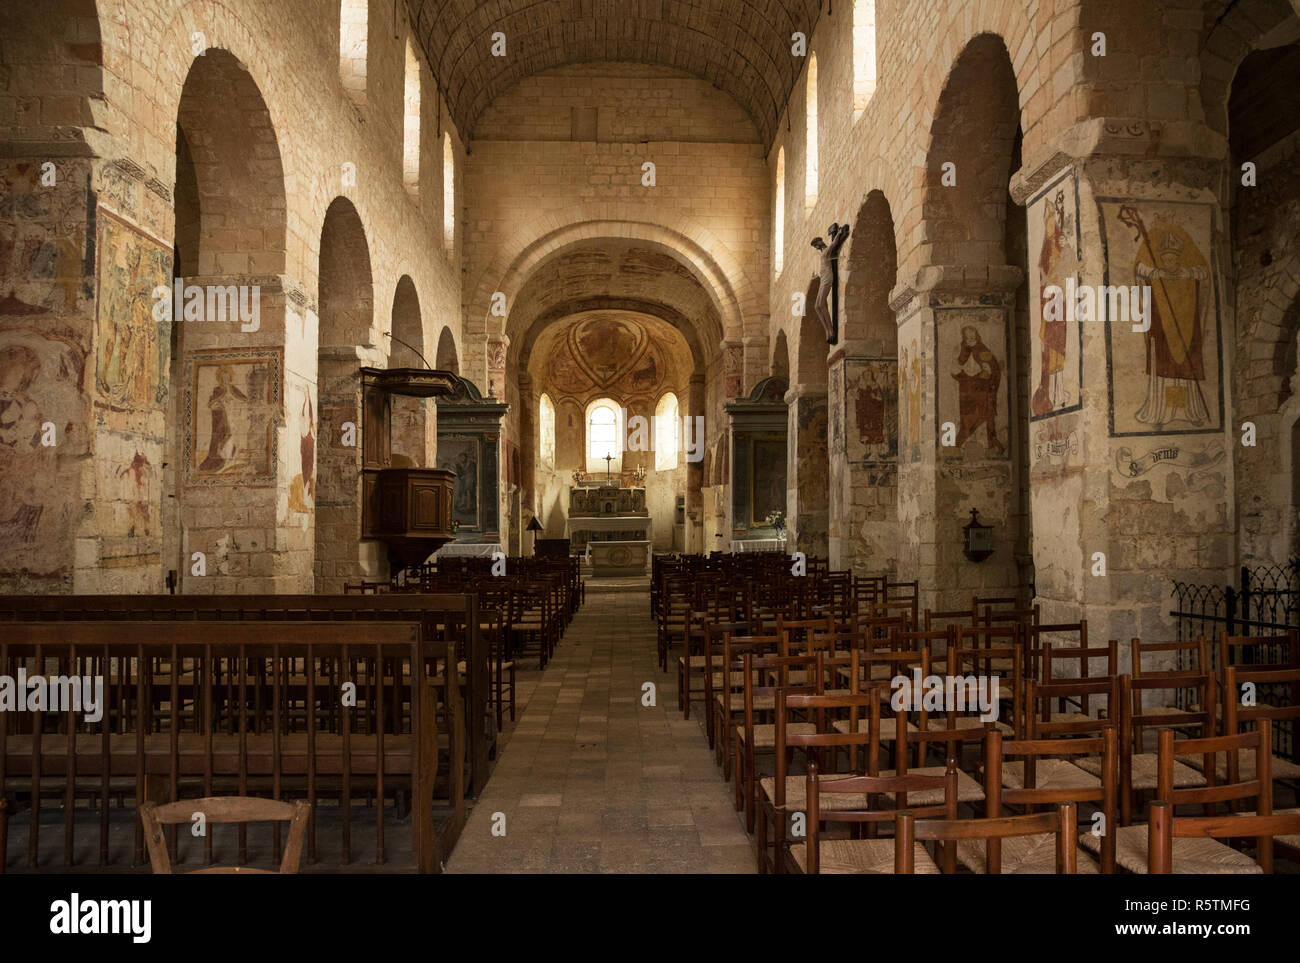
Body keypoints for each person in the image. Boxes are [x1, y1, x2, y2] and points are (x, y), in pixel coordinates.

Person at [811, 222, 851, 344]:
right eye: (816, 246)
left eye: (817, 245)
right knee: (816, 306)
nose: (817, 247)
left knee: (821, 304)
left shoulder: (827, 250)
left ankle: (830, 331)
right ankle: (827, 329)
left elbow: (834, 244)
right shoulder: (824, 252)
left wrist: (839, 234)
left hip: (828, 278)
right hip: (823, 277)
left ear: (820, 243)